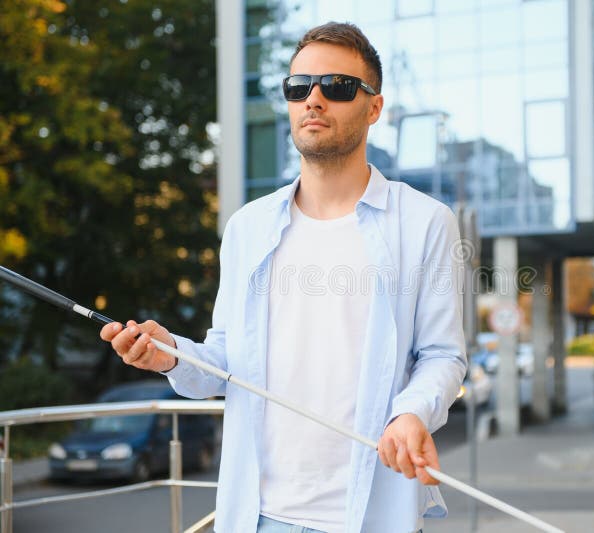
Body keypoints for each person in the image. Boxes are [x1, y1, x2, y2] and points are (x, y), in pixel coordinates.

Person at [100, 21, 466, 533]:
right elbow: (226, 361)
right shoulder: (247, 226)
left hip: (371, 514)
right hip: (258, 516)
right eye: (299, 88)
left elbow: (443, 355)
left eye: (337, 87)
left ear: (374, 108)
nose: (314, 99)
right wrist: (171, 355)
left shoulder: (426, 222)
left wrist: (412, 414)